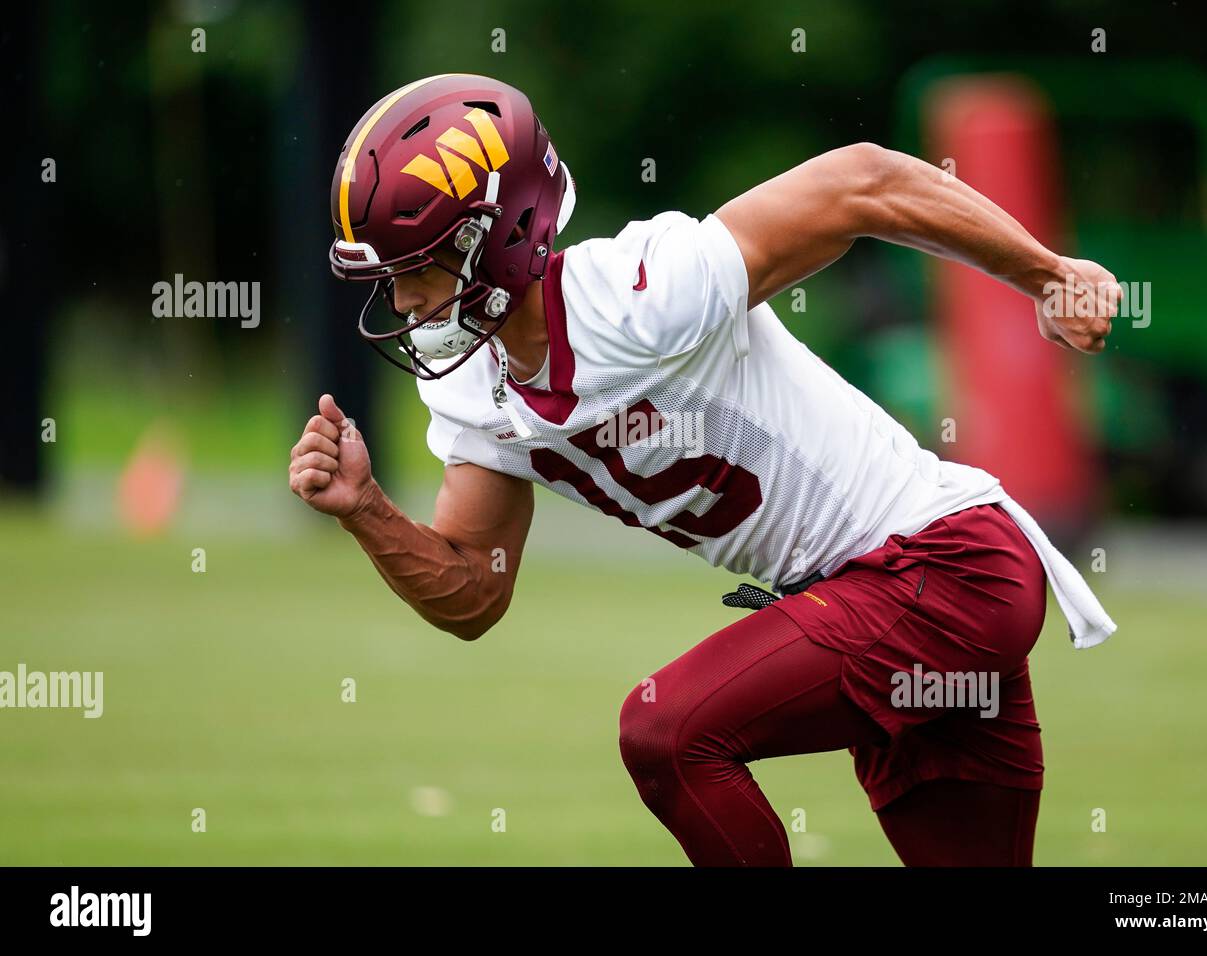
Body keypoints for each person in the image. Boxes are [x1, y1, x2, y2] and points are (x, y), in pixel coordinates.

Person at [289, 73, 1118, 866]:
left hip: (943, 568)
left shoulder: (639, 293)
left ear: (494, 237)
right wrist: (365, 508)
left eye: (416, 269)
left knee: (667, 731)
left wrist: (1046, 274)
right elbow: (474, 590)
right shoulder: (475, 388)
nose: (401, 303)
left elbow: (861, 180)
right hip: (888, 602)